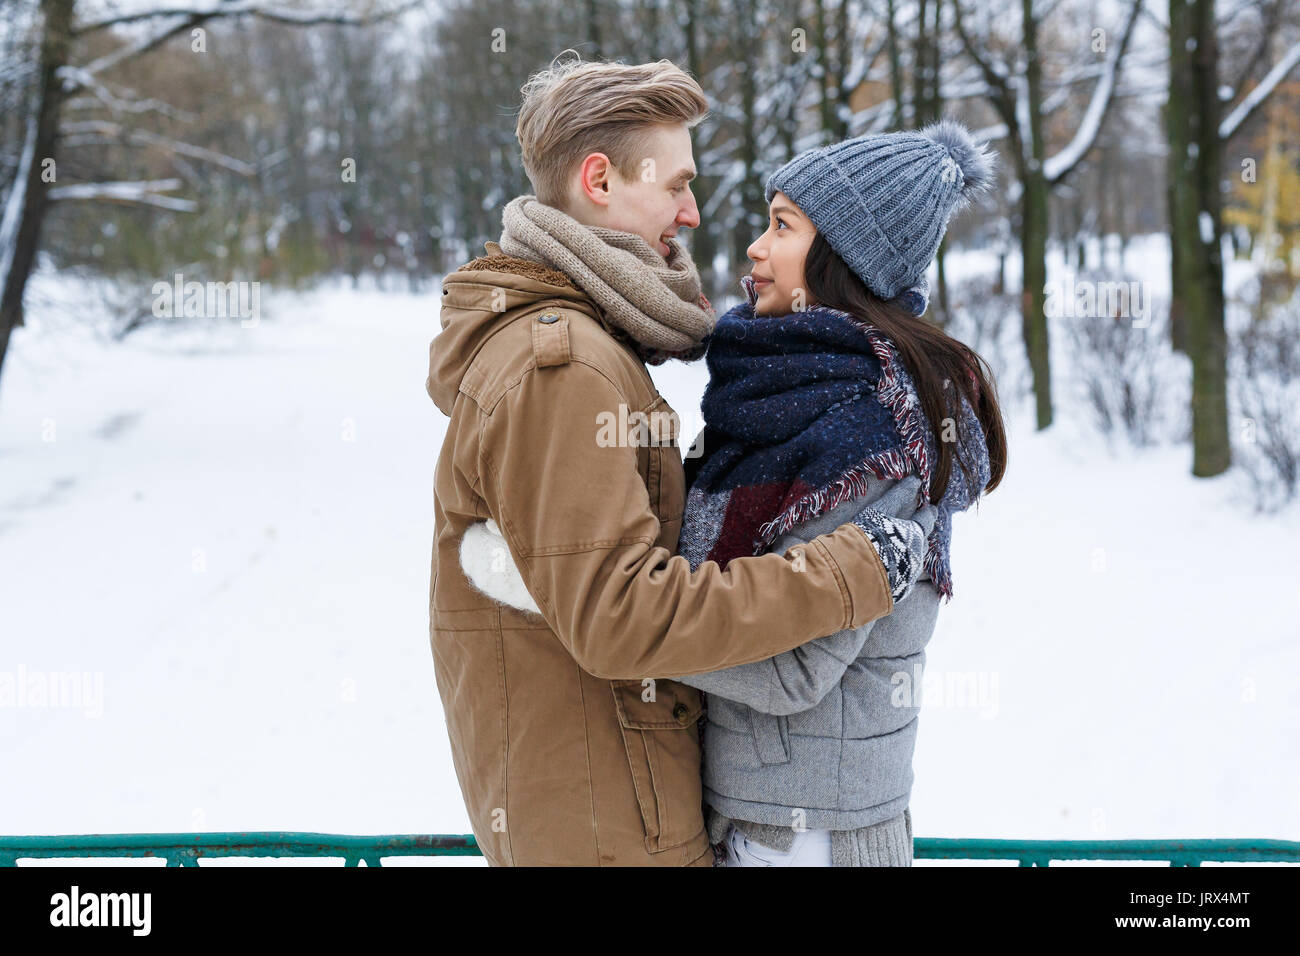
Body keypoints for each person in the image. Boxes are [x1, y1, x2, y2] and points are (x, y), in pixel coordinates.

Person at [427, 54, 937, 866]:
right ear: (600, 180)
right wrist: (848, 573)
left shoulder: (585, 351)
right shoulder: (567, 365)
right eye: (675, 185)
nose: (695, 214)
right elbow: (617, 615)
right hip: (608, 826)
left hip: (613, 809)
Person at [674, 118, 1008, 866]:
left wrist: (612, 617)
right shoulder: (781, 394)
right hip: (760, 820)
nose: (756, 248)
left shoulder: (874, 426)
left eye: (783, 226)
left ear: (842, 257)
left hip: (810, 836)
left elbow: (793, 665)